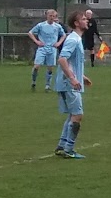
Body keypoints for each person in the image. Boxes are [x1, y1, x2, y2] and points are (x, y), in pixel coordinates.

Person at [52, 11, 93, 159]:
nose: (87, 21)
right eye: (83, 19)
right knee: (78, 115)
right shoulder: (73, 40)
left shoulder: (76, 39)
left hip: (67, 83)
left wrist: (81, 77)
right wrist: (73, 79)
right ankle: (69, 149)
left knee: (72, 115)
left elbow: (70, 62)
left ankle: (62, 146)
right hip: (68, 84)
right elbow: (62, 60)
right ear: (76, 23)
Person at [29, 9, 66, 90]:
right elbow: (30, 33)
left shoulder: (57, 26)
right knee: (37, 66)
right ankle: (33, 82)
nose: (52, 17)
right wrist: (37, 41)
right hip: (42, 48)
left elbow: (63, 35)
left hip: (52, 49)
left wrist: (58, 43)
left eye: (53, 16)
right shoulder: (41, 25)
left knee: (50, 68)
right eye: (50, 16)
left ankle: (47, 85)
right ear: (47, 16)